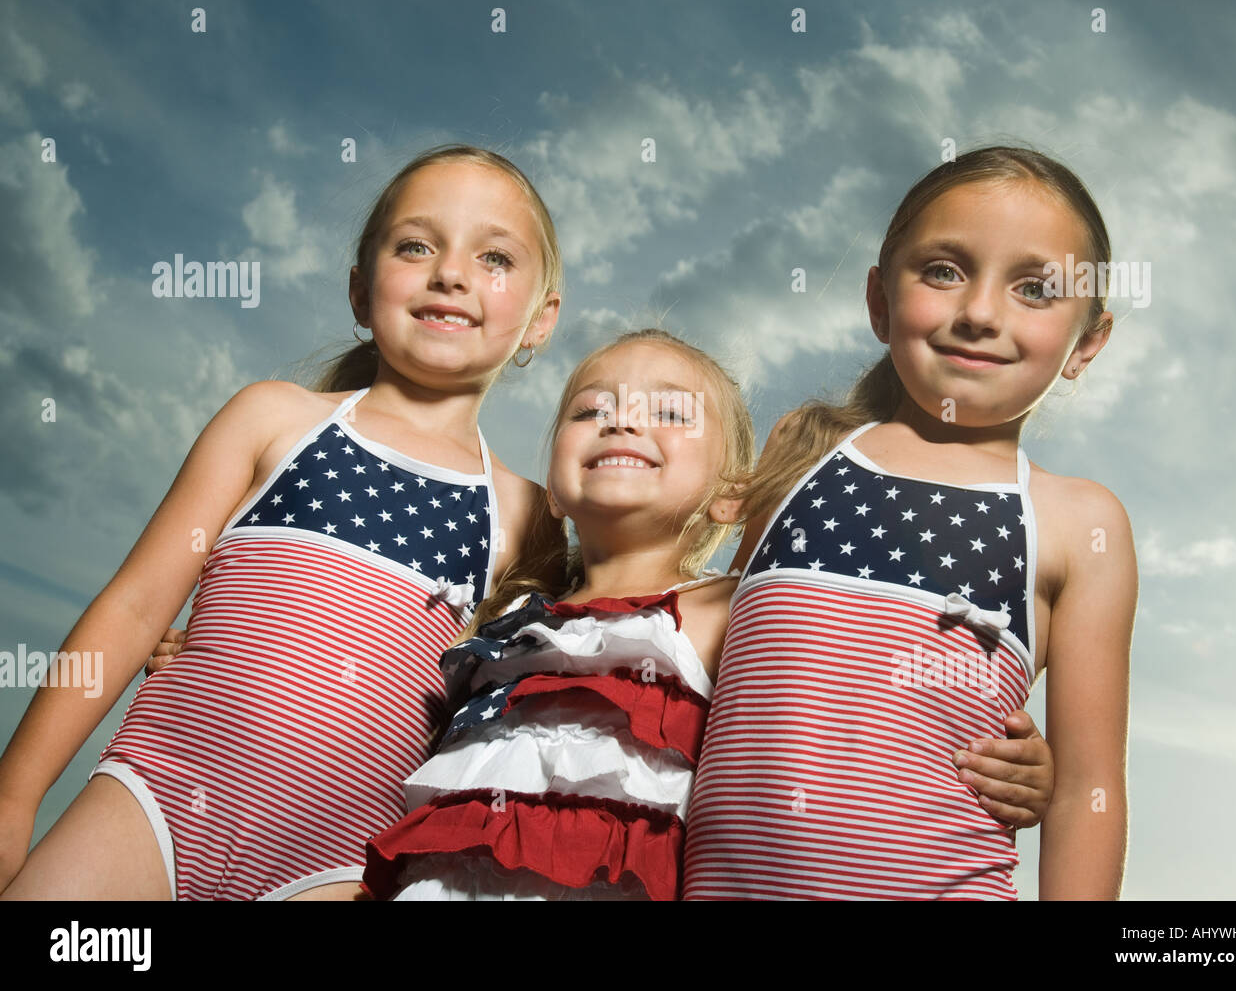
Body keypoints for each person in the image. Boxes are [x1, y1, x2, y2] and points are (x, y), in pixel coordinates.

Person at [0, 145, 564, 901]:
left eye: (494, 255)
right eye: (416, 245)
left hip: (337, 865)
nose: (451, 272)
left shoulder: (526, 516)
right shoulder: (273, 418)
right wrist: (14, 796)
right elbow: (134, 606)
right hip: (156, 800)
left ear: (541, 318)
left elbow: (504, 715)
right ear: (361, 291)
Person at [362, 329, 1059, 901]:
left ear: (732, 494)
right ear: (554, 494)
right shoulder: (508, 618)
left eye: (669, 412)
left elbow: (853, 704)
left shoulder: (732, 607)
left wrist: (1025, 766)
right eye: (589, 409)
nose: (621, 419)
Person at [683, 146, 1137, 900]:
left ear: (1086, 343)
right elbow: (716, 664)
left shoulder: (1078, 520)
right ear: (880, 300)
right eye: (944, 271)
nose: (981, 312)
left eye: (1034, 289)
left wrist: (1047, 776)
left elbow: (1091, 792)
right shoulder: (805, 447)